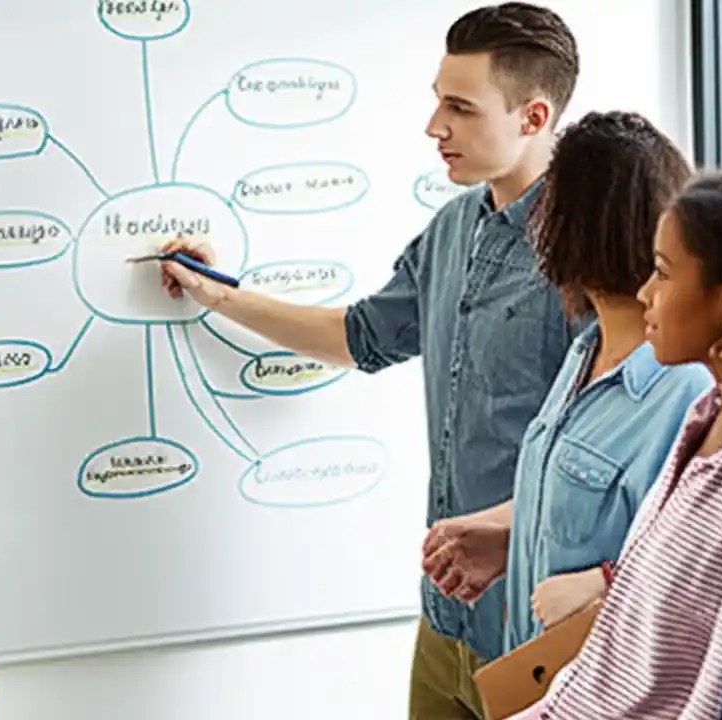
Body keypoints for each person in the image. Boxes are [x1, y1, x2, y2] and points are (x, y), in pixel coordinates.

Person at [157, 3, 580, 717]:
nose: (434, 126)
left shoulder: (589, 253)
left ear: (532, 118)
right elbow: (359, 337)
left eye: (460, 108)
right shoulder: (452, 229)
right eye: (436, 101)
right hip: (444, 619)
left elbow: (611, 451)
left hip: (537, 624)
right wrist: (215, 295)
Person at [506, 170, 722, 719]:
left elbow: (720, 690)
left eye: (661, 273)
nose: (645, 294)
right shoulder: (703, 419)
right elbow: (612, 661)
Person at [418, 110, 713, 657]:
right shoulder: (584, 352)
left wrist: (605, 581)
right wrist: (513, 533)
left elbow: (698, 570)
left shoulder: (684, 389)